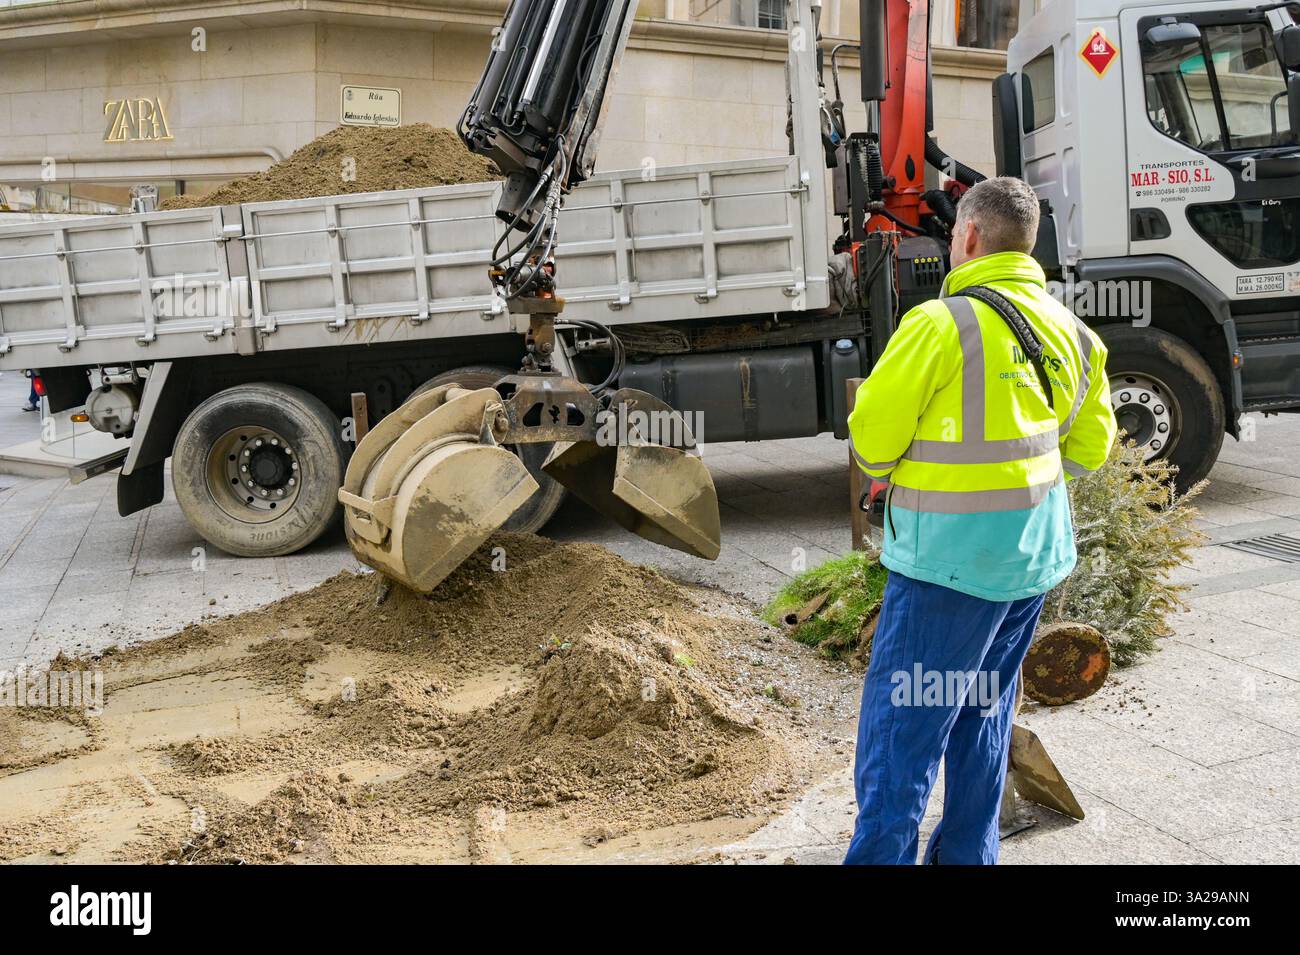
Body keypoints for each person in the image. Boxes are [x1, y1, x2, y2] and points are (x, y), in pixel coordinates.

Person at [844, 176, 1117, 864]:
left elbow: (872, 441)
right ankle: (969, 854)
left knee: (902, 731)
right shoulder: (1074, 332)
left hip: (946, 568)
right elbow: (1089, 448)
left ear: (967, 237)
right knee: (984, 710)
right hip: (1031, 566)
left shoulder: (939, 325)